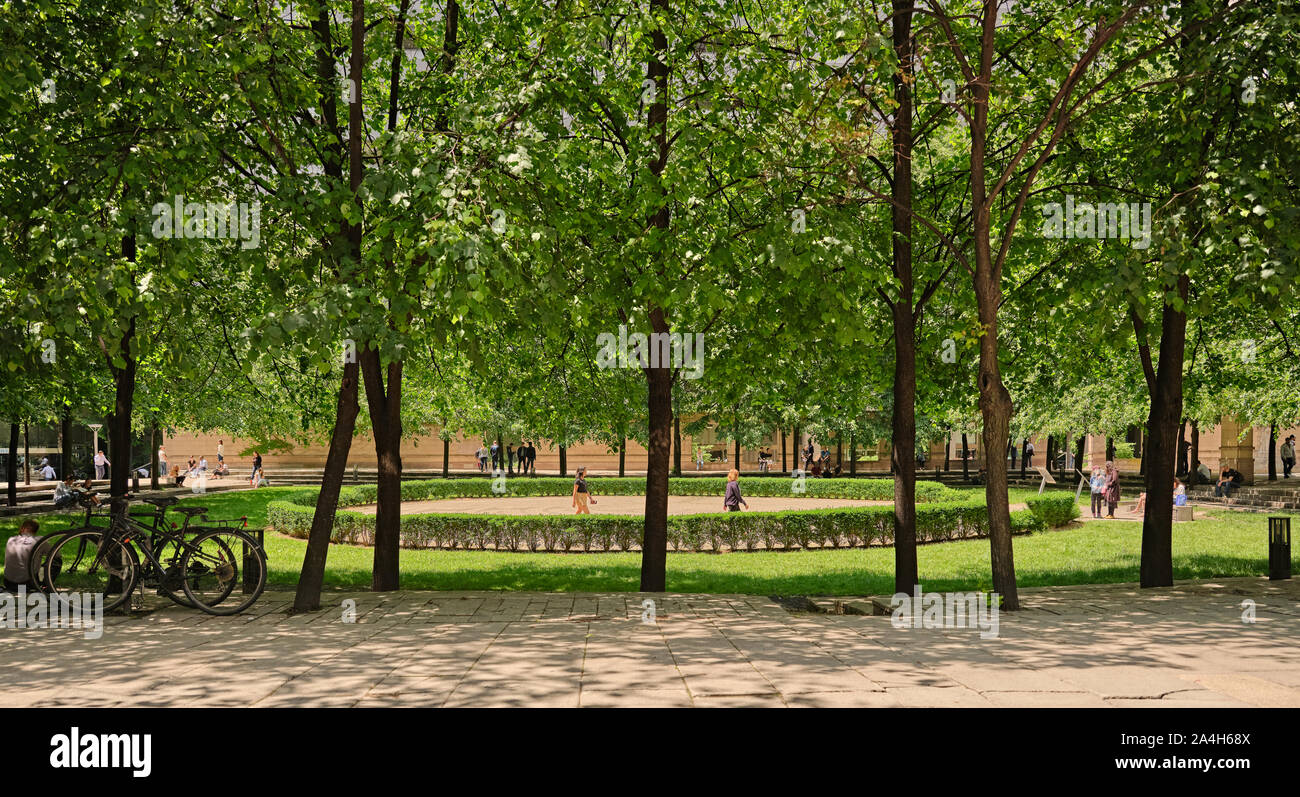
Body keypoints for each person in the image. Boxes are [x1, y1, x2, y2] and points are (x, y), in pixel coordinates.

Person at [4, 520, 40, 592]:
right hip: (27, 584)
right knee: (56, 560)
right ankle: (46, 585)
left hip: (8, 583)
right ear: (35, 531)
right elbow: (57, 555)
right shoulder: (39, 541)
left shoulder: (11, 540)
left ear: (22, 528)